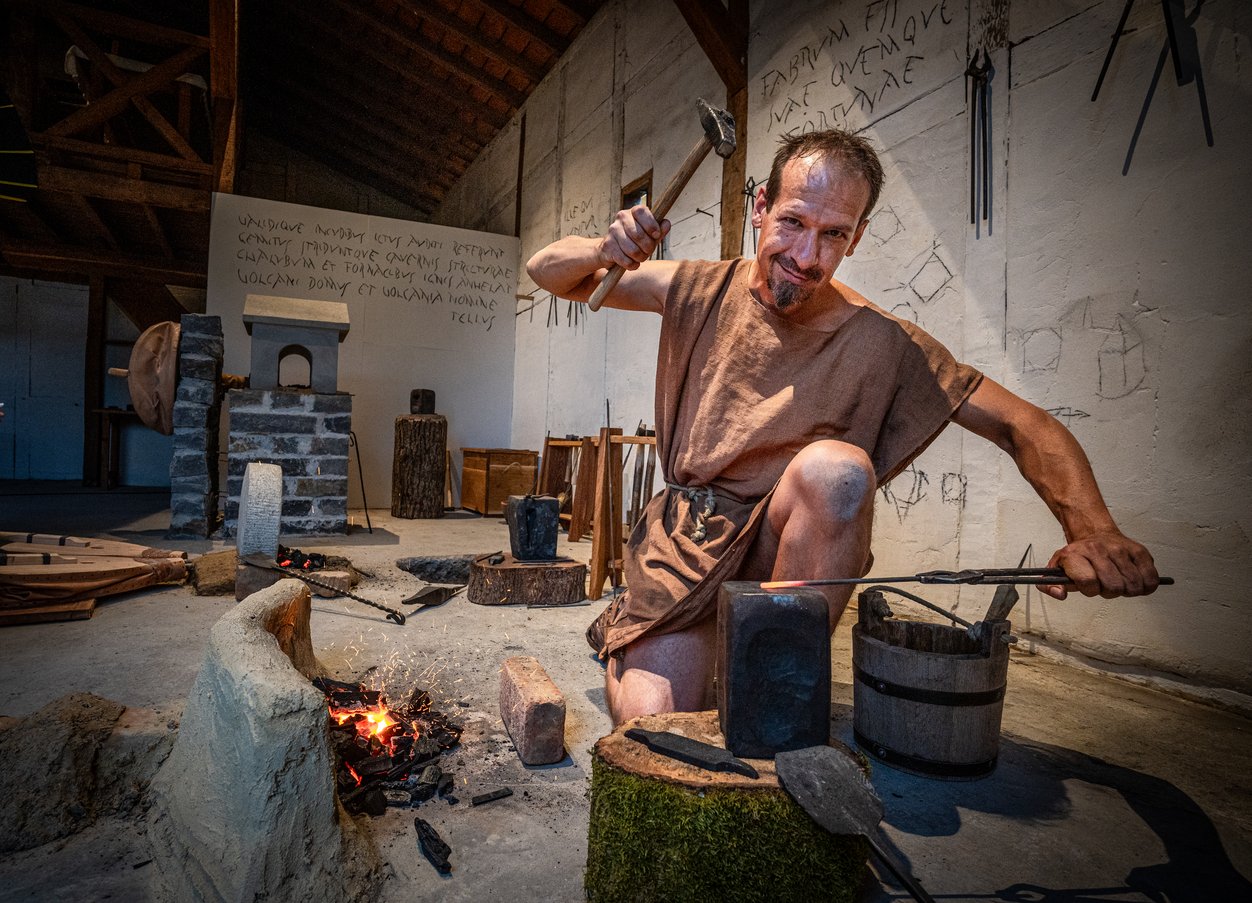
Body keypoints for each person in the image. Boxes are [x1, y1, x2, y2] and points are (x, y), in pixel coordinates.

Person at [526, 130, 1160, 726]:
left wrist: (1094, 531)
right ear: (760, 207)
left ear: (855, 238)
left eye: (833, 234)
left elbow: (1025, 424)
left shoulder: (881, 341)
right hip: (689, 541)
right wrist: (605, 250)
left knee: (838, 473)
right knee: (653, 722)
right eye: (793, 223)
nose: (806, 255)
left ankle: (775, 670)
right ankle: (644, 631)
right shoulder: (699, 287)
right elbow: (545, 269)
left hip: (784, 557)